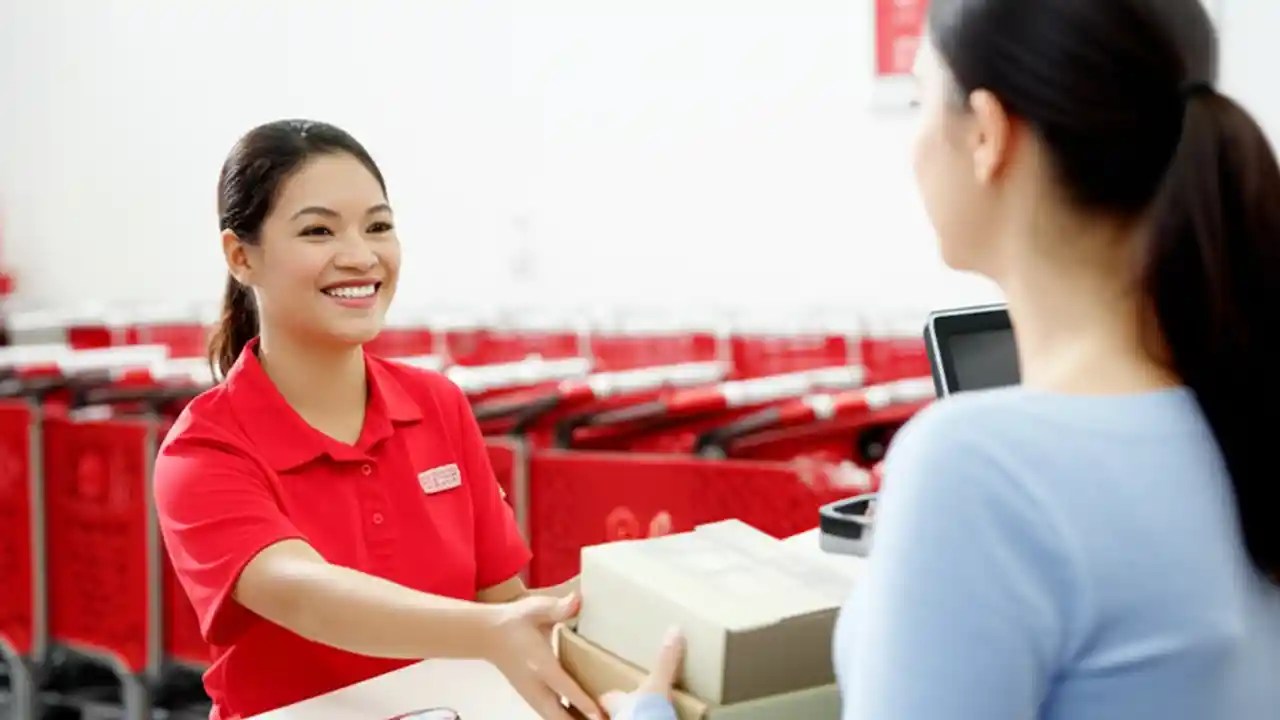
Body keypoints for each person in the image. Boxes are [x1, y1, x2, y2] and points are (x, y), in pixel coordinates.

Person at [617, 0, 1280, 718]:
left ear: (988, 135)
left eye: (918, 97)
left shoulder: (979, 467)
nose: (913, 140)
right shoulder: (1243, 413)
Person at [153, 119, 603, 720]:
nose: (361, 256)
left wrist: (631, 600)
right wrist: (494, 627)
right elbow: (309, 597)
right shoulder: (204, 452)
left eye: (379, 227)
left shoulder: (438, 405)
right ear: (241, 256)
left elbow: (505, 607)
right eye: (318, 231)